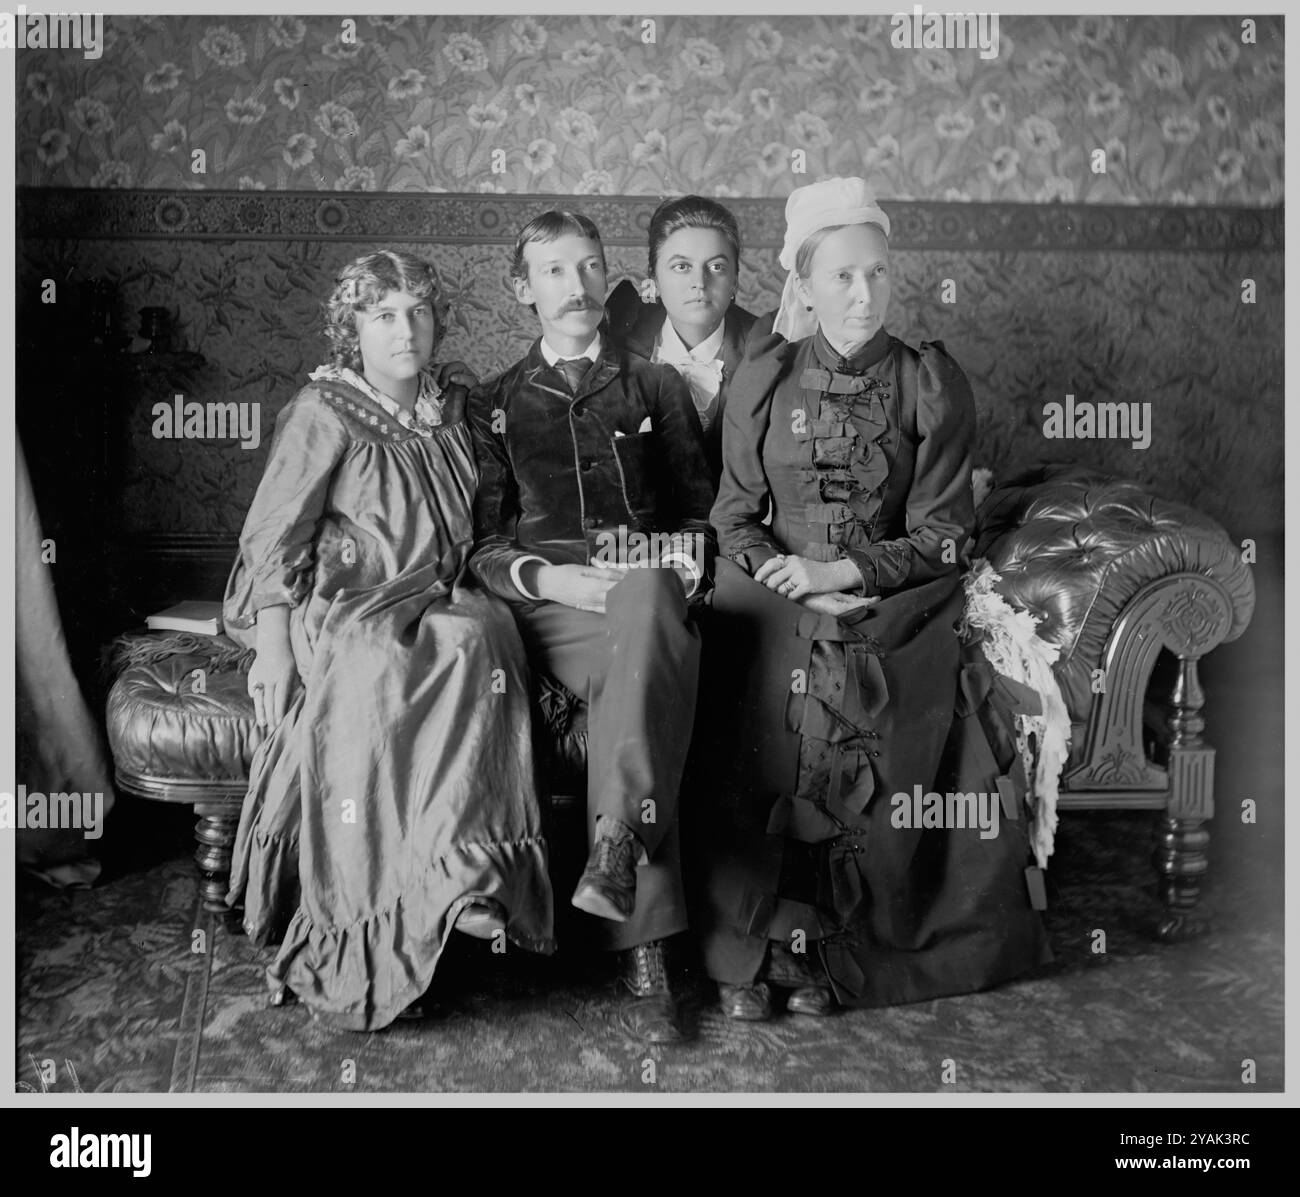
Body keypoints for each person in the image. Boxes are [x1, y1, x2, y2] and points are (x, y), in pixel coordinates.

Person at [702, 178, 1052, 1022]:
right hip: (776, 588)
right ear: (805, 285)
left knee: (862, 689)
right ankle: (750, 948)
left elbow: (942, 537)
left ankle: (837, 948)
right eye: (843, 277)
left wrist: (844, 575)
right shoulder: (765, 377)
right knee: (769, 684)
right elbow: (733, 518)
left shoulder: (927, 380)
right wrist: (784, 573)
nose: (864, 295)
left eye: (879, 275)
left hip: (889, 596)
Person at [223, 250, 555, 1033]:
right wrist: (273, 639)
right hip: (343, 591)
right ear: (354, 329)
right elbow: (274, 534)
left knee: (483, 635)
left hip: (439, 585)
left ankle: (468, 877)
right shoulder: (326, 408)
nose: (404, 330)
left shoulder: (452, 406)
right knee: (377, 665)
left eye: (417, 311)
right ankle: (376, 913)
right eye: (383, 316)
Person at [468, 211, 716, 1043]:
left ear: (610, 276)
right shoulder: (492, 405)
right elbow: (481, 545)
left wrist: (658, 568)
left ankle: (615, 851)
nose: (575, 287)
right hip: (547, 607)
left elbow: (700, 521)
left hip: (643, 590)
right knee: (639, 646)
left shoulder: (656, 388)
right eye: (551, 271)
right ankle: (645, 939)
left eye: (589, 267)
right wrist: (551, 577)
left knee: (647, 595)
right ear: (523, 290)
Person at [605, 195, 759, 483]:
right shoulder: (618, 347)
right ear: (654, 279)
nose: (699, 282)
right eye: (681, 267)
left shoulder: (764, 351)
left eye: (716, 267)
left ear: (735, 280)